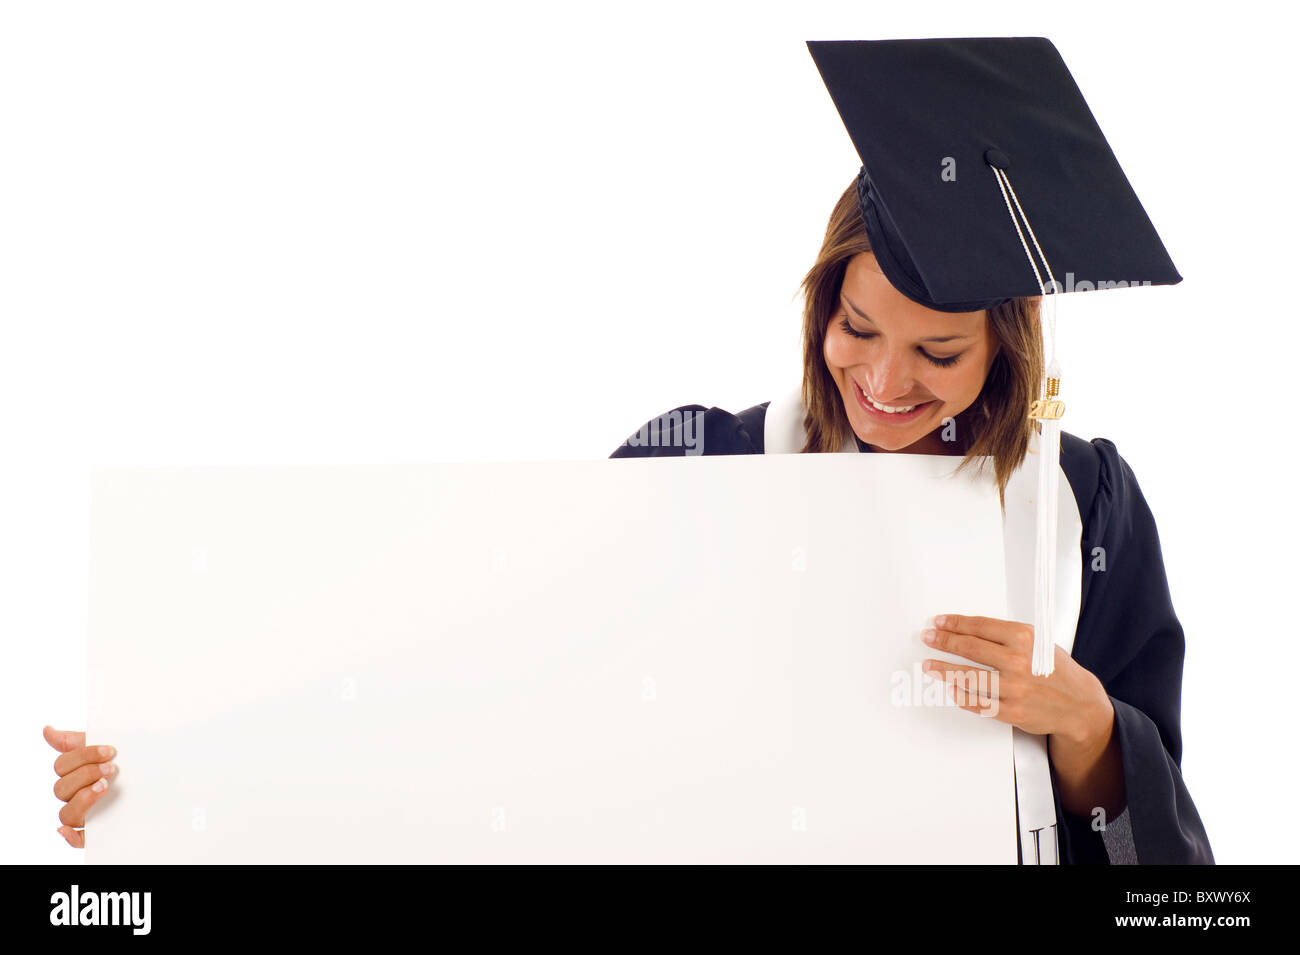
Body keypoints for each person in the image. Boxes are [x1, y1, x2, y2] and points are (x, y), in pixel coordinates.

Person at [611, 38, 1214, 864]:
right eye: (856, 328)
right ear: (823, 303)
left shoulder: (1085, 503)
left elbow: (1155, 868)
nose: (886, 382)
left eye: (939, 353)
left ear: (1011, 339)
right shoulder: (709, 464)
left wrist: (1085, 721)